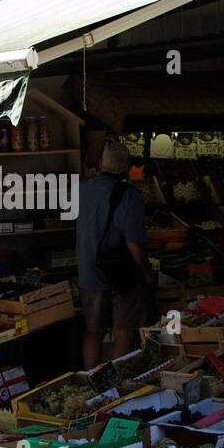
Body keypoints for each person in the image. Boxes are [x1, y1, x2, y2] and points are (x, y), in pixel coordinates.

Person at [75, 142, 157, 369]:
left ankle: (92, 380)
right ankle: (115, 388)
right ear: (127, 169)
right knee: (123, 333)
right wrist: (147, 273)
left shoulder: (82, 190)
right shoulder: (130, 196)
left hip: (89, 273)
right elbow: (135, 246)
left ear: (101, 164)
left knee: (93, 332)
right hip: (122, 278)